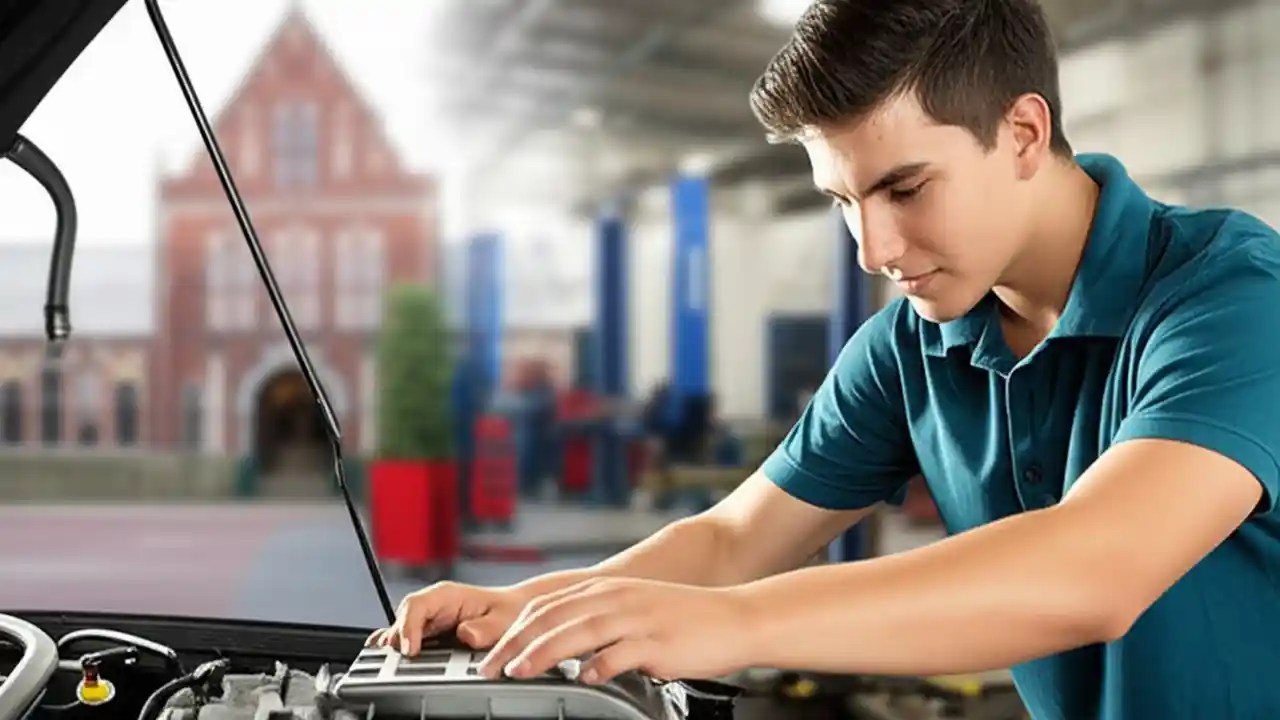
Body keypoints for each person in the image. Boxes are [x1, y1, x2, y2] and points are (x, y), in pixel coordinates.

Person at [367, 2, 1280, 717]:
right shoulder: (913, 344)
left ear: (1025, 134)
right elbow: (733, 540)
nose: (872, 248)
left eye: (905, 188)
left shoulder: (1232, 299)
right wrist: (535, 605)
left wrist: (739, 626)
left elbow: (1096, 569)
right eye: (843, 201)